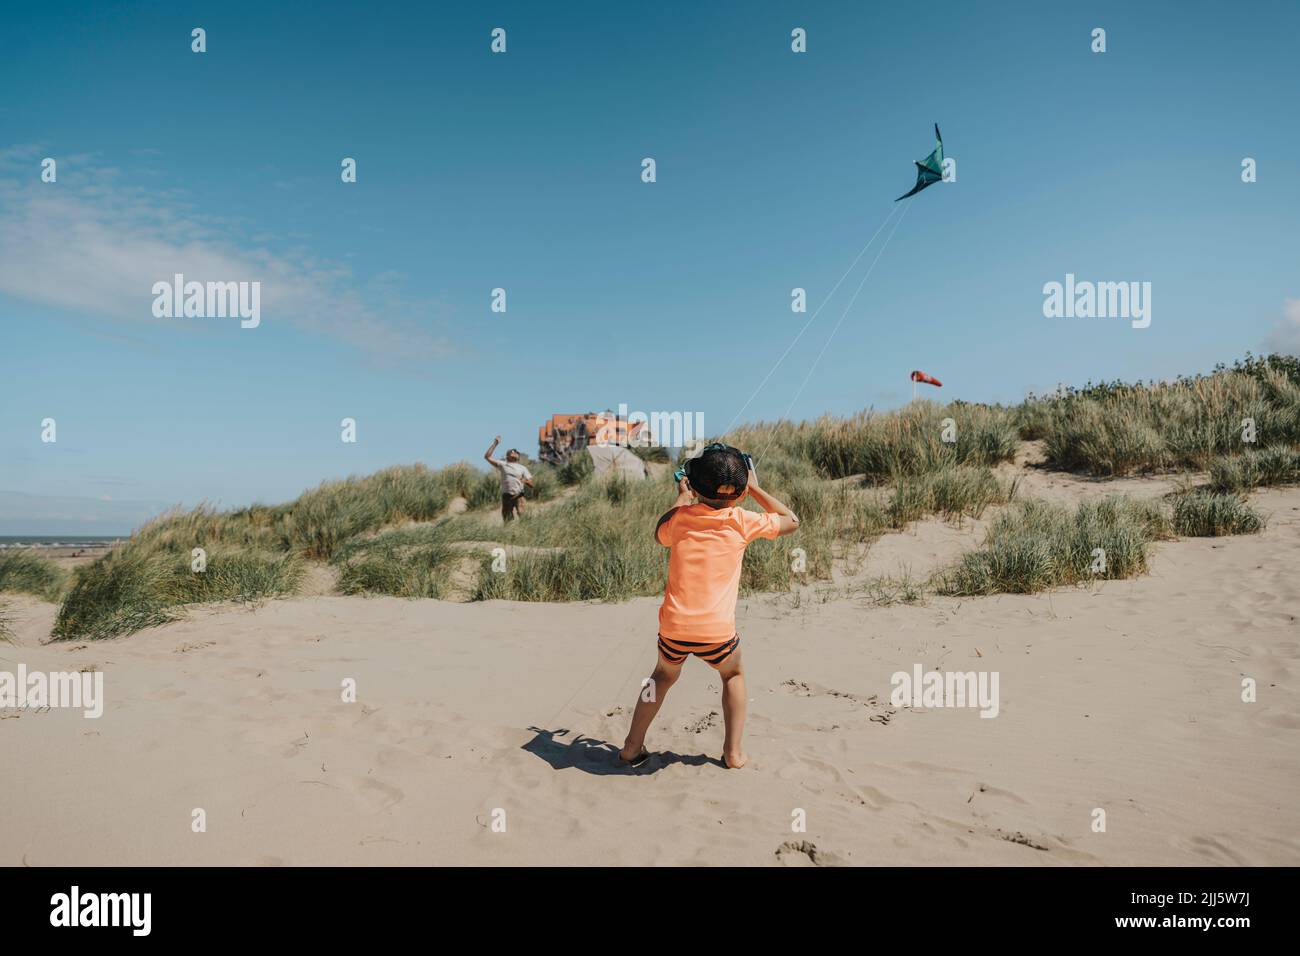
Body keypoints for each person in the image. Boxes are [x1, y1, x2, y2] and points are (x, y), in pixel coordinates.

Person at [618, 443, 799, 770]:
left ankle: (632, 747)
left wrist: (682, 500)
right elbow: (791, 520)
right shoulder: (743, 520)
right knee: (732, 674)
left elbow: (660, 534)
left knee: (661, 675)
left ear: (693, 483)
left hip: (674, 628)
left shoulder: (681, 519)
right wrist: (754, 487)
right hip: (717, 632)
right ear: (740, 492)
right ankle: (733, 753)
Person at [484, 436, 534, 522]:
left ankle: (525, 532)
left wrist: (525, 481)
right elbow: (487, 457)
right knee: (507, 520)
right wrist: (495, 444)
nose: (514, 452)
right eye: (512, 451)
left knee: (523, 516)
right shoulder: (503, 464)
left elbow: (531, 484)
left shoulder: (523, 468)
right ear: (507, 456)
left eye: (516, 452)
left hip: (519, 495)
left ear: (518, 456)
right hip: (506, 496)